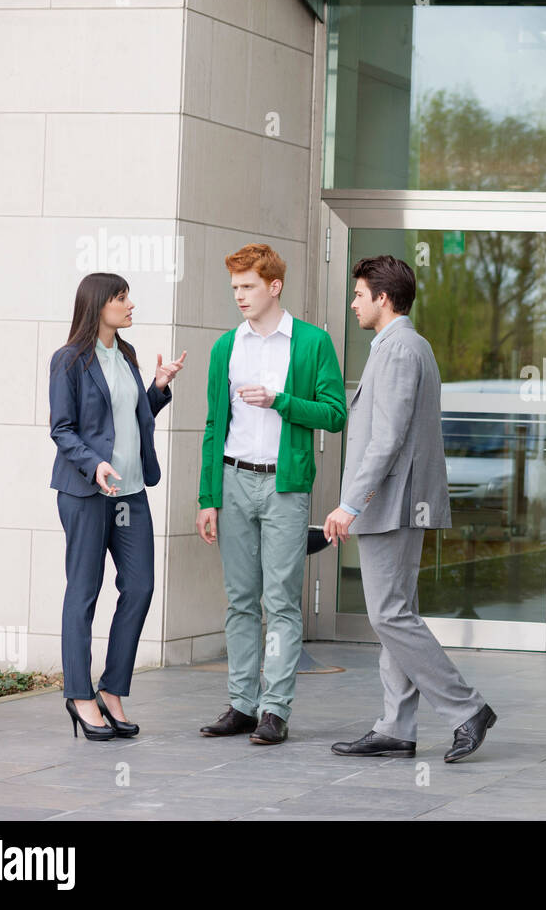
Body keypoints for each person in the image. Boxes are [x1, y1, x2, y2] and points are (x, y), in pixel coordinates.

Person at [324, 255, 496, 763]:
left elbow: (389, 438)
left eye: (359, 295)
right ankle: (396, 725)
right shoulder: (398, 346)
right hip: (395, 503)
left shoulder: (399, 349)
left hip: (393, 504)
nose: (353, 303)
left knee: (390, 614)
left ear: (383, 298)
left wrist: (350, 503)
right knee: (397, 612)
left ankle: (467, 709)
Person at [196, 244, 346, 745]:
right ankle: (241, 703)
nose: (239, 295)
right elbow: (214, 425)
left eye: (248, 286)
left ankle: (275, 709)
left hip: (284, 484)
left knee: (280, 600)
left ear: (274, 286)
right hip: (233, 480)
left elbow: (335, 413)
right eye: (235, 287)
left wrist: (280, 401)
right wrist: (206, 497)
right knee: (240, 599)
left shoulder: (311, 342)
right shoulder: (225, 347)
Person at [49, 272, 186, 740]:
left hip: (129, 495)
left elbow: (132, 418)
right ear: (98, 305)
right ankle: (79, 694)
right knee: (84, 592)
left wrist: (159, 388)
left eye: (128, 297)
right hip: (87, 493)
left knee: (141, 586)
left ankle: (112, 688)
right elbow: (62, 429)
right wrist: (95, 465)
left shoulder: (125, 355)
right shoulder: (68, 361)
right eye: (122, 298)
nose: (130, 305)